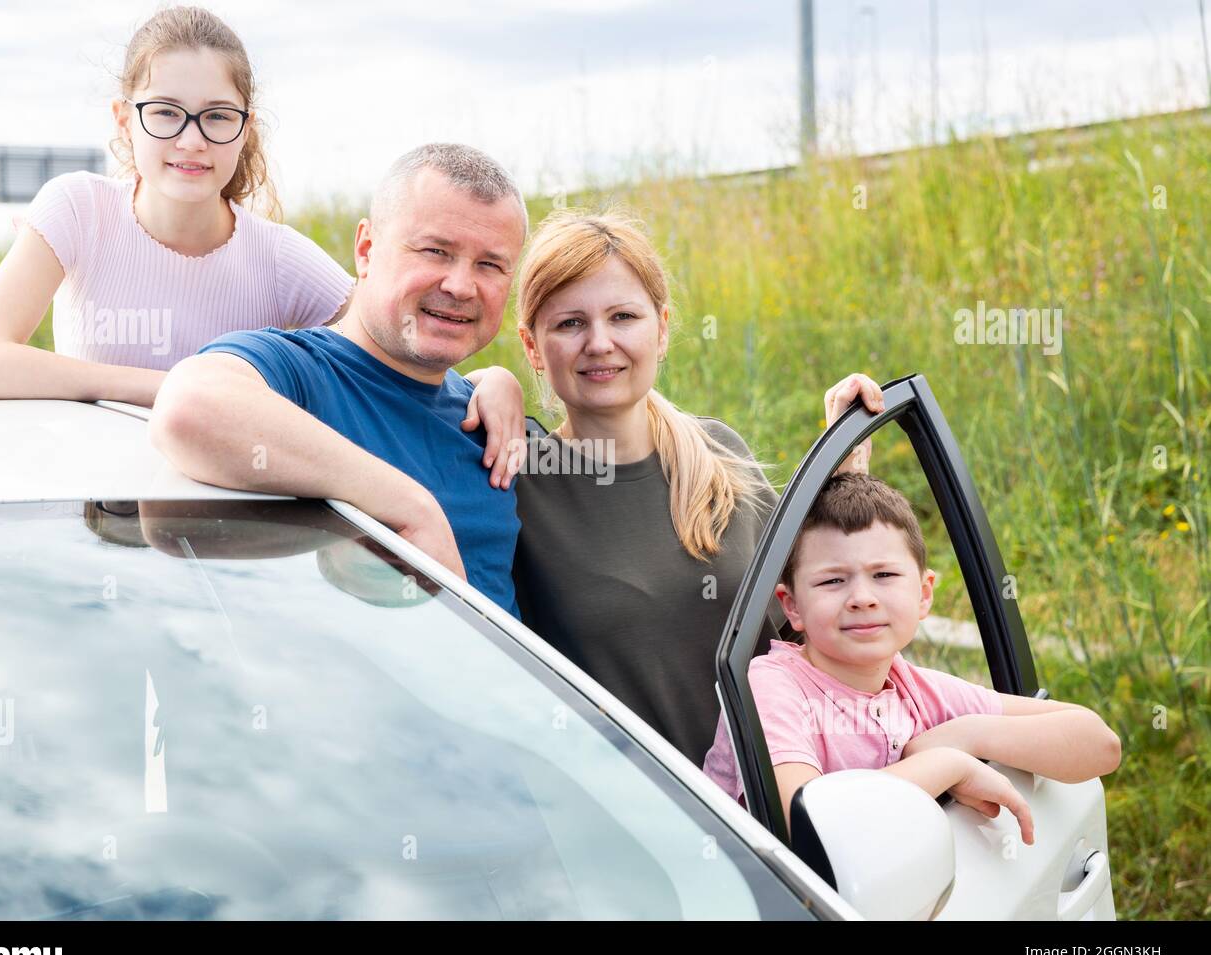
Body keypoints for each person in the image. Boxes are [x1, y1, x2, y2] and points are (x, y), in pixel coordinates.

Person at [508, 207, 885, 766]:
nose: (600, 343)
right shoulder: (518, 478)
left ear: (661, 330)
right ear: (533, 347)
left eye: (623, 317)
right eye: (570, 324)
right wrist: (484, 383)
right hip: (632, 823)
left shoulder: (718, 454)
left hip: (772, 805)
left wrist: (842, 468)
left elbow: (815, 616)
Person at [149, 143, 530, 616]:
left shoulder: (492, 422)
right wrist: (411, 507)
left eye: (489, 265)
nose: (459, 285)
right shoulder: (301, 373)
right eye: (435, 251)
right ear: (367, 250)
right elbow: (190, 408)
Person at [0, 5, 353, 406]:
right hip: (86, 467)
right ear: (124, 121)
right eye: (165, 112)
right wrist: (176, 388)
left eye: (217, 116)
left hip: (223, 471)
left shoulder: (278, 257)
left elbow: (383, 353)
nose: (193, 140)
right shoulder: (78, 210)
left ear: (245, 130)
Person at [702, 472, 1123, 842]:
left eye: (884, 575)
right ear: (791, 606)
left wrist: (969, 735)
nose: (862, 599)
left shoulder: (914, 688)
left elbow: (1100, 744)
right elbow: (806, 821)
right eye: (832, 581)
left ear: (924, 594)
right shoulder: (773, 684)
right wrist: (946, 764)